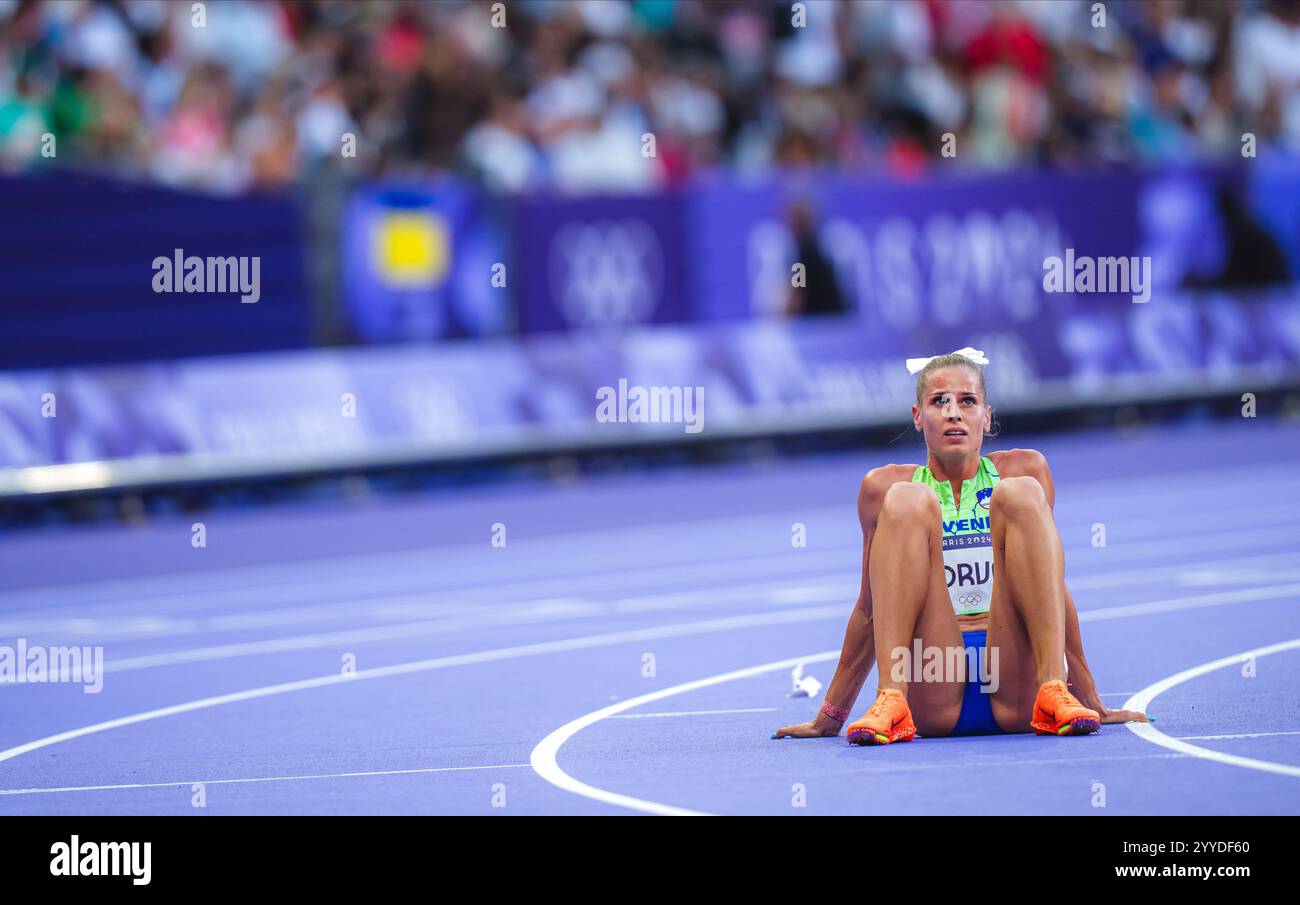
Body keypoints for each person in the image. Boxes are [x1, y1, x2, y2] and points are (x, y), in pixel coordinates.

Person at [774, 347, 1148, 744]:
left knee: (1019, 493)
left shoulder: (1026, 470)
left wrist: (1092, 699)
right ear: (918, 417)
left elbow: (1052, 590)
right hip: (934, 674)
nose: (954, 412)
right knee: (906, 498)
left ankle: (1054, 689)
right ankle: (891, 698)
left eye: (968, 401)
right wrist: (830, 715)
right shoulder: (881, 488)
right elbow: (870, 608)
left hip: (1015, 675)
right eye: (939, 401)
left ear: (986, 415)